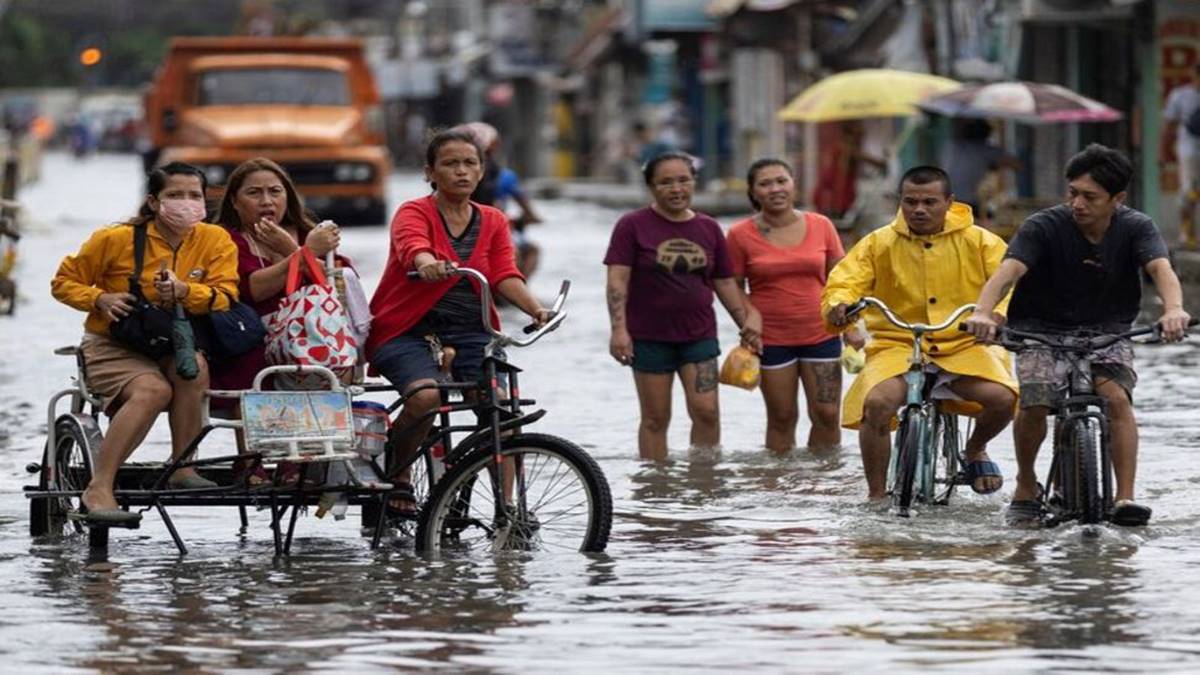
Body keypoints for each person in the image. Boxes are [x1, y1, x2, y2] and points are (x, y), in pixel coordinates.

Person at [964, 144, 1191, 527]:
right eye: (1073, 193)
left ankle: (1125, 496)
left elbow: (1161, 269)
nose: (1078, 204)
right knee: (1035, 403)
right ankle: (1025, 482)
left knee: (1117, 399)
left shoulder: (1136, 226)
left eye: (1090, 197)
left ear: (1117, 199)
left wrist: (1173, 310)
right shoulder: (1042, 226)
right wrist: (983, 312)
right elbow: (1008, 273)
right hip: (1039, 328)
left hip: (1108, 329)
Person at [367, 128, 551, 513]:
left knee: (503, 412)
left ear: (482, 172)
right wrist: (427, 264)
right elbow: (411, 247)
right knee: (426, 396)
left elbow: (505, 273)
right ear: (431, 172)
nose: (461, 172)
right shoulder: (413, 212)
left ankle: (508, 507)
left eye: (470, 164)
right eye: (450, 164)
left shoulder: (494, 220)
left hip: (472, 334)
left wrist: (535, 309)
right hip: (407, 332)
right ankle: (395, 468)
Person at [50, 162, 239, 523]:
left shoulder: (215, 240)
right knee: (153, 391)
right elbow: (63, 282)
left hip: (173, 340)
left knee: (194, 368)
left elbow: (225, 295)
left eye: (194, 195)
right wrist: (99, 299)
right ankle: (100, 486)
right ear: (153, 202)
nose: (186, 203)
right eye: (175, 195)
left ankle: (183, 467)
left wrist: (186, 292)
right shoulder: (114, 239)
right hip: (114, 342)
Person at [821, 165, 1017, 501]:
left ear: (949, 202)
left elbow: (1011, 284)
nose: (919, 209)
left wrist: (996, 317)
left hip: (964, 344)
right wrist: (840, 306)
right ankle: (876, 495)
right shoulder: (878, 242)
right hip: (897, 345)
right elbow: (844, 281)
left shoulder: (982, 241)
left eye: (929, 202)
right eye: (911, 202)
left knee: (1004, 399)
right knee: (877, 405)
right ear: (900, 201)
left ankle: (975, 450)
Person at [604, 151, 759, 461]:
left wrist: (747, 323)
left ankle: (703, 480)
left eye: (683, 180)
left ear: (694, 183)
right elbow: (617, 280)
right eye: (666, 182)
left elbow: (724, 282)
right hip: (648, 338)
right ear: (651, 187)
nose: (676, 189)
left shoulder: (709, 227)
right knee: (655, 418)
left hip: (699, 336)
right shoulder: (631, 225)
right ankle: (655, 485)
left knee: (707, 412)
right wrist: (618, 330)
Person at [208, 158, 342, 479]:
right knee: (252, 363)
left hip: (306, 334)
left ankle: (298, 458)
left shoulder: (312, 234)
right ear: (236, 202)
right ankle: (251, 457)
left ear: (288, 197)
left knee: (311, 361)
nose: (266, 201)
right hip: (246, 334)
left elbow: (334, 284)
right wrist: (299, 254)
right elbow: (252, 288)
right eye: (254, 193)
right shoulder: (224, 238)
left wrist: (291, 246)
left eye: (275, 192)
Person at [726, 158, 858, 453]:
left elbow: (841, 278)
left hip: (822, 333)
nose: (775, 189)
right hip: (770, 338)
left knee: (826, 416)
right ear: (753, 191)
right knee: (782, 418)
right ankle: (780, 490)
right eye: (765, 183)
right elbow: (730, 285)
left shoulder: (821, 225)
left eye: (781, 181)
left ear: (793, 184)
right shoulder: (739, 234)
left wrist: (849, 324)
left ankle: (822, 485)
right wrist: (748, 317)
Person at [463, 122, 544, 278]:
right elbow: (527, 209)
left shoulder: (449, 177)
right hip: (493, 229)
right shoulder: (505, 176)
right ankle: (520, 289)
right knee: (529, 251)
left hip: (467, 230)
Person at [942, 119, 1020, 218]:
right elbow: (1016, 164)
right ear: (987, 135)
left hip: (944, 196)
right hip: (966, 200)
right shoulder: (986, 150)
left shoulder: (952, 146)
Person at [1161, 63, 1200, 249]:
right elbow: (1169, 126)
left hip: (1188, 151)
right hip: (1190, 152)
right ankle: (1187, 233)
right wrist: (1163, 151)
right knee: (1189, 192)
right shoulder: (1180, 95)